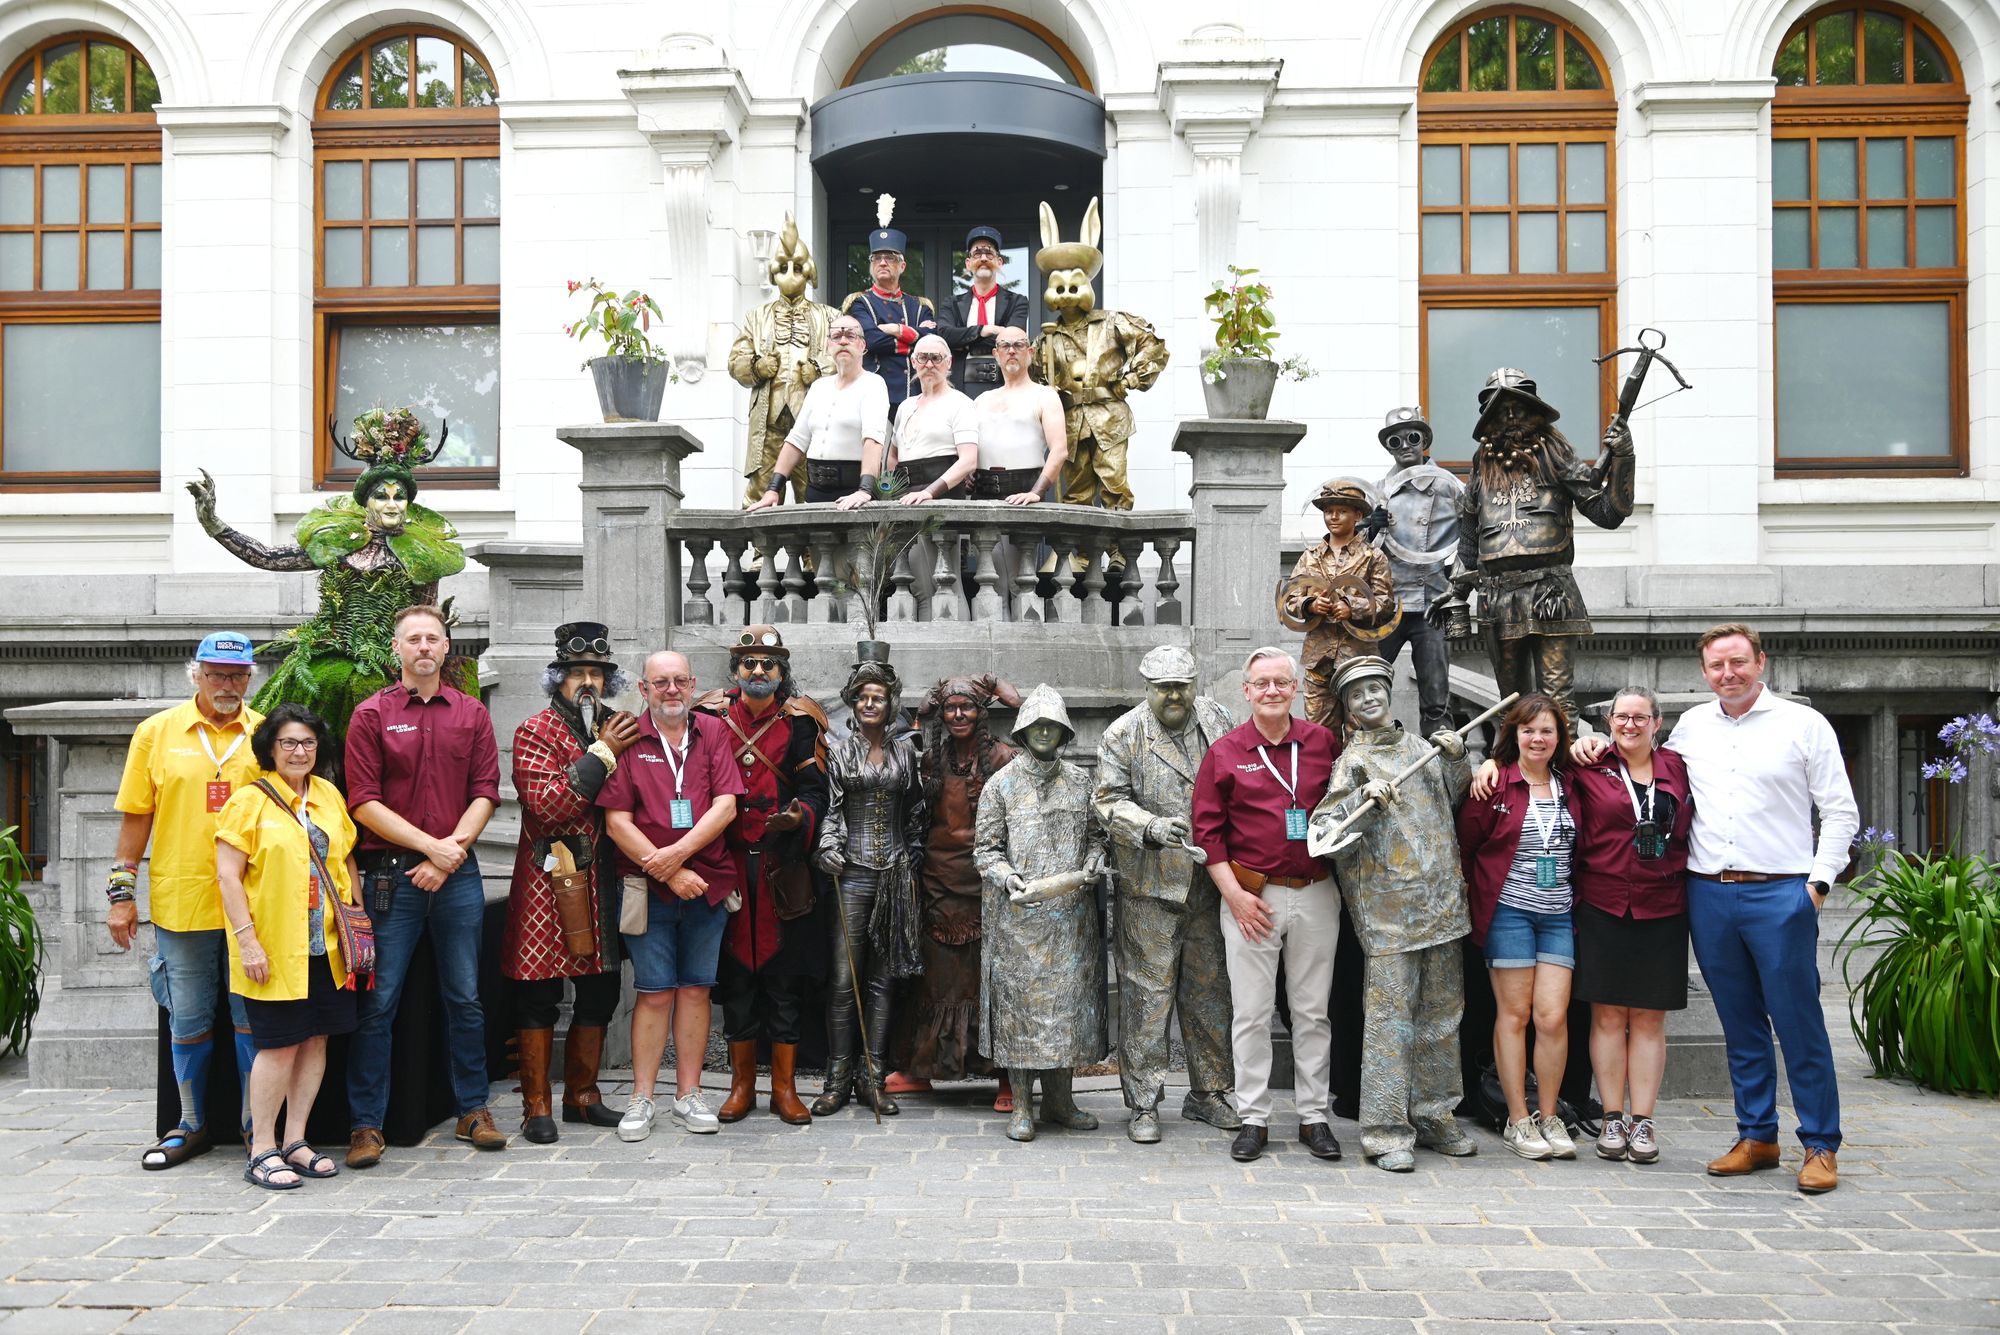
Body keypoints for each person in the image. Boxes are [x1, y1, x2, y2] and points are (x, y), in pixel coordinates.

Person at [1580, 625, 1857, 1193]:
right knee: (1740, 1023)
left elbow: (1840, 812)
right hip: (1707, 893)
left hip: (1782, 891)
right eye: (1715, 666)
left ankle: (1821, 1144)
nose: (1727, 673)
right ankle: (1757, 1135)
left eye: (1737, 662)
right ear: (1704, 672)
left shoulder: (1804, 726)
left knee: (1797, 1021)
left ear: (1761, 661)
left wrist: (1817, 886)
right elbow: (1643, 766)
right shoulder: (1691, 730)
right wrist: (1592, 745)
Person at [188, 408, 470, 735]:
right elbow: (267, 557)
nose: (392, 504)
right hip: (332, 652)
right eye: (382, 496)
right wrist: (214, 524)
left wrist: (440, 624)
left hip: (393, 663)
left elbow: (426, 616)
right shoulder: (338, 542)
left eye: (400, 497)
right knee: (304, 712)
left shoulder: (422, 554)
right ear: (366, 502)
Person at [342, 604, 503, 1168]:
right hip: (393, 876)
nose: (424, 647)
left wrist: (449, 851)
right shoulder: (370, 715)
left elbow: (486, 790)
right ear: (398, 650)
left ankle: (473, 1109)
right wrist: (428, 847)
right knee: (378, 1003)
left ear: (447, 647)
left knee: (466, 998)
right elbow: (362, 802)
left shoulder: (471, 713)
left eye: (433, 638)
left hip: (456, 875)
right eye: (414, 639)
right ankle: (365, 1125)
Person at [1305, 656, 1477, 1171]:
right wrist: (1361, 797)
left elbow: (1455, 798)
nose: (1369, 699)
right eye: (1357, 696)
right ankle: (1383, 1130)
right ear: (1350, 710)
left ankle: (1434, 1113)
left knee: (1443, 1018)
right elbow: (1324, 837)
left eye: (1375, 689)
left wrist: (1454, 759)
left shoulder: (1420, 746)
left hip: (1442, 906)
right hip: (1388, 914)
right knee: (1390, 1022)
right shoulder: (1351, 762)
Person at [111, 631, 266, 1170]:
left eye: (240, 675)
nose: (229, 685)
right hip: (182, 900)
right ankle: (191, 1124)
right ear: (195, 674)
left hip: (253, 904)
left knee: (253, 1020)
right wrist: (120, 895)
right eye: (218, 674)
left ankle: (257, 1131)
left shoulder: (266, 733)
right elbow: (136, 818)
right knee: (190, 1018)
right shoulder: (157, 732)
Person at [1191, 647, 1344, 1164]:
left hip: (1317, 892)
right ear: (1247, 691)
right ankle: (1253, 1117)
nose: (1273, 691)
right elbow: (1207, 833)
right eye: (1263, 683)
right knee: (1252, 1013)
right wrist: (1234, 896)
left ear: (1295, 689)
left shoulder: (1324, 743)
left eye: (1282, 682)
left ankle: (1313, 1116)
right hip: (1251, 897)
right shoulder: (1226, 751)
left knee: (1312, 1012)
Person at [1094, 645, 1238, 1144]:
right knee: (1146, 1000)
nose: (1174, 695)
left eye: (1182, 685)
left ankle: (1210, 1092)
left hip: (1210, 883)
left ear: (1196, 684)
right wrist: (1151, 824)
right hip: (1150, 887)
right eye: (1163, 687)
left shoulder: (1217, 718)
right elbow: (1107, 802)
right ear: (1147, 687)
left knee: (1209, 994)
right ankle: (1144, 1101)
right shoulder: (1123, 734)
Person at [502, 622, 640, 1143]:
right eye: (577, 674)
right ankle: (536, 1104)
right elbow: (551, 805)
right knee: (538, 994)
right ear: (556, 680)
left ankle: (583, 1097)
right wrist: (603, 752)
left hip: (606, 878)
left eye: (597, 674)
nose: (588, 683)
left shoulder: (625, 726)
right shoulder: (534, 730)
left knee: (600, 990)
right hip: (550, 877)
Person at [598, 650, 744, 1141]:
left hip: (707, 883)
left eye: (680, 680)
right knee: (655, 991)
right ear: (644, 689)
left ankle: (688, 1094)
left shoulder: (714, 732)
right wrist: (663, 870)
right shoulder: (628, 740)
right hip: (647, 887)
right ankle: (642, 1098)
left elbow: (725, 806)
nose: (672, 690)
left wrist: (676, 858)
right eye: (661, 682)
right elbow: (617, 822)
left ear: (693, 683)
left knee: (697, 988)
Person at [214, 705, 360, 1189]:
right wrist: (247, 940)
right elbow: (228, 875)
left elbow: (345, 860)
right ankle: (262, 1149)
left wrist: (356, 918)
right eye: (289, 743)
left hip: (328, 948)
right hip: (273, 946)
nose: (300, 752)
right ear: (270, 749)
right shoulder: (248, 802)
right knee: (277, 1047)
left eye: (308, 743)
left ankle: (296, 1140)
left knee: (316, 1040)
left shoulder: (327, 794)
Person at [697, 627, 830, 1127]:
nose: (758, 672)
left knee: (784, 981)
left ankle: (785, 1089)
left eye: (767, 664)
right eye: (749, 663)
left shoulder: (800, 723)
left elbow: (816, 790)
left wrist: (800, 818)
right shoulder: (708, 718)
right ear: (735, 670)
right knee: (736, 982)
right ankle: (740, 1088)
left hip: (782, 869)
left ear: (781, 671)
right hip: (725, 864)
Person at [1449, 368, 1634, 727]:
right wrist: (1456, 590)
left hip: (1551, 591)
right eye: (1501, 410)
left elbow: (1607, 513)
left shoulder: (1556, 454)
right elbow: (1470, 529)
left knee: (1557, 702)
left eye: (1518, 407)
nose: (1511, 416)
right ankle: (1516, 778)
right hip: (1496, 596)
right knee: (1511, 705)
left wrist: (1624, 460)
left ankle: (1564, 777)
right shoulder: (1482, 462)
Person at [973, 684, 1109, 1142]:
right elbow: (985, 850)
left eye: (1053, 724)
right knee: (1021, 1013)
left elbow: (1098, 835)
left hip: (1071, 919)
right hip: (1018, 919)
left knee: (1067, 1010)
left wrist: (1093, 859)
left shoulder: (1081, 781)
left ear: (1064, 731)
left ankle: (1060, 1101)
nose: (1045, 731)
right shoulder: (1002, 785)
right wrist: (1006, 876)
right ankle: (1022, 1106)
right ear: (1025, 731)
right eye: (1037, 725)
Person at [1568, 687, 1694, 1164]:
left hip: (1662, 904)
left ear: (1657, 723)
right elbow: (1533, 764)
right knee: (1607, 1016)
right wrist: (1493, 766)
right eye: (1622, 716)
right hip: (1602, 902)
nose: (1630, 725)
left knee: (1647, 1018)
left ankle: (1643, 1121)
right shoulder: (1589, 765)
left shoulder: (1679, 768)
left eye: (1641, 718)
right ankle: (1612, 1117)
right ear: (1608, 721)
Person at [1455, 693, 1580, 1162]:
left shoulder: (1572, 784)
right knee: (1516, 1016)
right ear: (1514, 735)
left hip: (1558, 914)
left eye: (1547, 730)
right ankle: (1517, 1118)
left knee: (1552, 1018)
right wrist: (1490, 763)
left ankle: (1549, 1115)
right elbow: (1467, 847)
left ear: (1559, 737)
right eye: (1529, 730)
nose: (1538, 738)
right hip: (1509, 912)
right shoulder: (1495, 785)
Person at [886, 676, 1018, 1109]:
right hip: (938, 880)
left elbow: (1042, 742)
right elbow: (890, 741)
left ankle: (1005, 1077)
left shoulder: (1003, 758)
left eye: (968, 708)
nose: (959, 716)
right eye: (951, 709)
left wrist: (1006, 694)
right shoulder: (930, 760)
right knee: (936, 977)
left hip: (987, 881)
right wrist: (923, 711)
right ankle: (921, 1070)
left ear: (982, 713)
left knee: (988, 978)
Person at [813, 659, 929, 1116]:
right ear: (852, 703)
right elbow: (832, 810)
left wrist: (914, 850)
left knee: (883, 980)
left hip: (896, 872)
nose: (869, 703)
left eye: (877, 697)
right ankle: (837, 1079)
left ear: (890, 704)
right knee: (845, 979)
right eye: (862, 696)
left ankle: (873, 1078)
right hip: (854, 872)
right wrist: (828, 847)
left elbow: (916, 808)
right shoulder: (839, 751)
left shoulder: (906, 753)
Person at [1031, 197, 1168, 512]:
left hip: (1108, 417)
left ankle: (1119, 552)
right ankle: (1077, 555)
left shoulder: (1113, 322)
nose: (1067, 295)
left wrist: (1133, 377)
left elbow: (1152, 343)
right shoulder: (1045, 340)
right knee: (1075, 493)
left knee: (1114, 487)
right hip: (1069, 424)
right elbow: (1036, 382)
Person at [1363, 407, 1465, 738]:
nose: (1405, 445)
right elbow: (1361, 553)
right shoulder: (1379, 490)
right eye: (1396, 440)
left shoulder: (1451, 488)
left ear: (1425, 441)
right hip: (1389, 605)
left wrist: (1460, 586)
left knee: (1436, 696)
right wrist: (1371, 531)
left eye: (1413, 437)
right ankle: (1365, 753)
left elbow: (1471, 539)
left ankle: (1442, 766)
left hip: (1434, 603)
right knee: (1367, 684)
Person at [729, 214, 838, 507]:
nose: (791, 274)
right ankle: (759, 554)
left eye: (798, 267)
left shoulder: (830, 316)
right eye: (785, 267)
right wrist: (756, 366)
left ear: (810, 272)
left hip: (813, 423)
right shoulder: (756, 316)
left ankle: (813, 556)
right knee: (760, 494)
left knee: (812, 498)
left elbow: (846, 358)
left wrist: (819, 370)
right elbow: (735, 361)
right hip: (768, 423)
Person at [1281, 478, 1399, 728]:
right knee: (1318, 731)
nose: (1333, 517)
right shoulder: (1310, 557)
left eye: (1342, 511)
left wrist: (1352, 606)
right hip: (1319, 658)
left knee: (1361, 728)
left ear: (1357, 515)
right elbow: (1289, 599)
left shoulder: (1372, 557)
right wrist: (1310, 605)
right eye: (1328, 511)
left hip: (1358, 657)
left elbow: (1385, 603)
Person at [746, 313, 889, 513]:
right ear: (829, 346)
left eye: (850, 335)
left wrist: (864, 491)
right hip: (814, 494)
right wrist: (773, 490)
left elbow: (873, 440)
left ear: (863, 346)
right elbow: (797, 439)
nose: (843, 341)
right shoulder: (819, 387)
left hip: (854, 493)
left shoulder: (873, 384)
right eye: (836, 336)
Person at [841, 209, 937, 414]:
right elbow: (871, 341)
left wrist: (894, 328)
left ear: (902, 266)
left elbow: (930, 342)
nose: (882, 262)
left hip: (916, 396)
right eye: (877, 258)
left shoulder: (920, 306)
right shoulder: (859, 303)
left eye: (890, 258)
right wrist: (913, 339)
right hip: (874, 399)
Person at [971, 327, 1068, 504]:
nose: (1012, 351)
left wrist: (1036, 492)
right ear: (996, 353)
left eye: (1019, 345)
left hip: (1027, 495)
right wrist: (966, 474)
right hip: (982, 496)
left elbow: (1059, 450)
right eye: (1005, 346)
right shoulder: (980, 401)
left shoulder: (1045, 396)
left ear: (1030, 352)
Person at [937, 225, 1030, 399]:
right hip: (960, 386)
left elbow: (1012, 341)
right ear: (968, 263)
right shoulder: (952, 303)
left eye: (989, 253)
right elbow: (944, 335)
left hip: (1004, 384)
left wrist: (963, 341)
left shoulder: (1018, 302)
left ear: (999, 262)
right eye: (977, 254)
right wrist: (984, 330)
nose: (984, 258)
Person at [890, 335, 980, 503]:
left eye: (936, 358)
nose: (929, 365)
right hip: (903, 500)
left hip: (944, 499)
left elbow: (969, 460)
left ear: (949, 362)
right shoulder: (905, 406)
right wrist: (889, 492)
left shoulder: (961, 403)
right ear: (913, 362)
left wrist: (928, 493)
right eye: (923, 357)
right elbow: (893, 457)